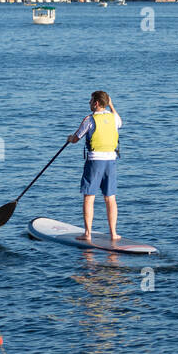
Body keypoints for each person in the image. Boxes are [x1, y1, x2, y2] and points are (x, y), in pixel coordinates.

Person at [67, 91, 122, 242]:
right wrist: (111, 104)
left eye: (91, 101)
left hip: (94, 162)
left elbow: (76, 138)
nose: (89, 103)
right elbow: (119, 122)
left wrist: (69, 138)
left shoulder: (89, 120)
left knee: (89, 197)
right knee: (110, 198)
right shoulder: (114, 118)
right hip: (111, 162)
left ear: (96, 103)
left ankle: (87, 234)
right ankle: (113, 234)